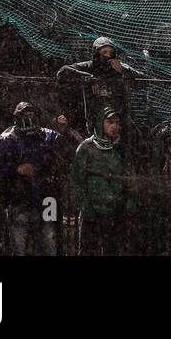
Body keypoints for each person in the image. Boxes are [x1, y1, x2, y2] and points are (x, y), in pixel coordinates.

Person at [0, 102, 64, 255]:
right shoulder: (7, 138)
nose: (30, 118)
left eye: (32, 114)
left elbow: (66, 153)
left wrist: (64, 128)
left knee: (49, 243)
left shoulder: (48, 135)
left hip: (46, 198)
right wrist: (16, 169)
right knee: (19, 245)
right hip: (19, 198)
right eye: (26, 115)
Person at [70, 106, 128, 255]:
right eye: (110, 122)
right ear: (101, 123)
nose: (114, 126)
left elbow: (124, 179)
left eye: (117, 123)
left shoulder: (119, 149)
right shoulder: (86, 147)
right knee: (88, 250)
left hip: (112, 213)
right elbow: (76, 180)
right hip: (91, 213)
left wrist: (122, 204)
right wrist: (85, 206)